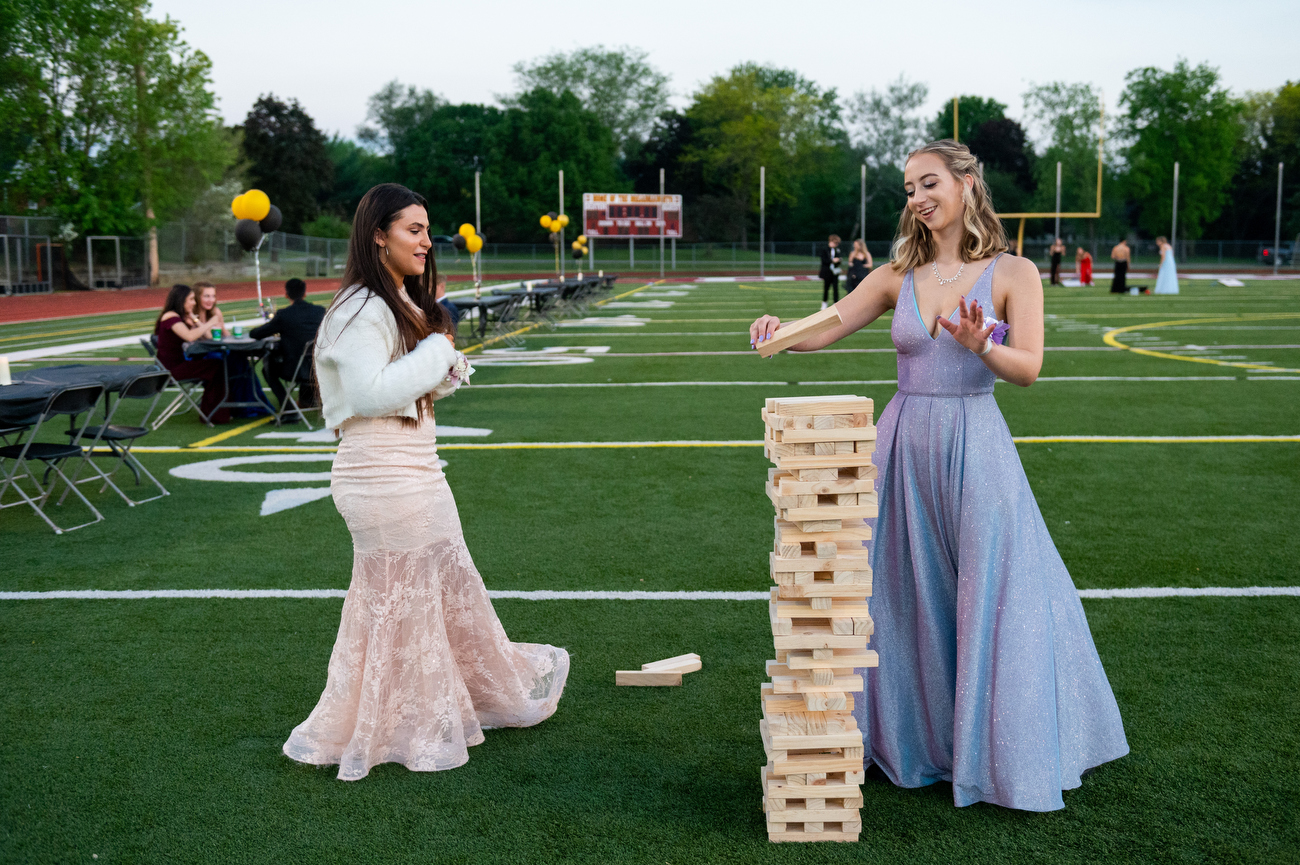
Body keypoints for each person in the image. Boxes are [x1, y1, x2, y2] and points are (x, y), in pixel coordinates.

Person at [749, 140, 1128, 811]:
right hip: (900, 447)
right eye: (908, 188)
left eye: (929, 183)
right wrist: (776, 331)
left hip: (975, 446)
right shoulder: (898, 272)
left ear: (965, 183)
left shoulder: (1015, 273)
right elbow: (825, 327)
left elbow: (1030, 367)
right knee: (899, 597)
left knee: (987, 594)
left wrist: (986, 345)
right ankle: (917, 743)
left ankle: (994, 755)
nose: (918, 198)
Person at [283, 183, 568, 781]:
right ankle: (405, 726)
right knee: (400, 601)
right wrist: (439, 352)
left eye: (426, 228)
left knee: (442, 587)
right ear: (378, 235)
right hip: (383, 474)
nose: (425, 239)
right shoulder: (362, 307)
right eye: (413, 228)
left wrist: (441, 367)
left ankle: (448, 703)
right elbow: (367, 394)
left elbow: (404, 382)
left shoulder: (395, 302)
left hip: (416, 467)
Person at [152, 284, 231, 424]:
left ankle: (214, 412)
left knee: (218, 365)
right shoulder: (170, 317)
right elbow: (189, 336)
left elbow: (207, 336)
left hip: (177, 364)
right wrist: (209, 323)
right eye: (191, 300)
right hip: (170, 370)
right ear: (181, 300)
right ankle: (215, 414)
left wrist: (195, 320)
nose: (194, 303)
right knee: (217, 367)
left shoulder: (179, 317)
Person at [250, 278, 326, 417]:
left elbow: (256, 334)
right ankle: (307, 400)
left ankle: (289, 408)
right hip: (321, 367)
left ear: (286, 295)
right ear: (305, 294)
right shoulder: (320, 311)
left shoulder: (284, 314)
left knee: (268, 369)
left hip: (294, 370)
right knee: (307, 356)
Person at [818, 234, 843, 309]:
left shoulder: (837, 250)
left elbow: (840, 259)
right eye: (835, 243)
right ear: (831, 241)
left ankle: (836, 304)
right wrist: (832, 261)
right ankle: (824, 303)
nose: (836, 245)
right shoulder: (825, 249)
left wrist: (838, 261)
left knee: (835, 288)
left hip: (835, 272)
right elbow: (824, 261)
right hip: (827, 272)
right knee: (826, 288)